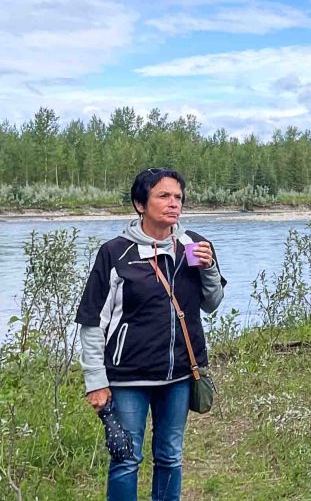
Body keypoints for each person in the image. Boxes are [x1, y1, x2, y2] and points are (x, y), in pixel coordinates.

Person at [75, 168, 226, 501]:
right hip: (128, 378)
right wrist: (95, 381)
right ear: (139, 204)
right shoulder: (115, 253)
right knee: (126, 459)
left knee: (170, 456)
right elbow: (91, 322)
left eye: (178, 197)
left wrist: (210, 268)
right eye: (163, 196)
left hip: (179, 376)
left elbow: (212, 304)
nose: (173, 204)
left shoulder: (194, 245)